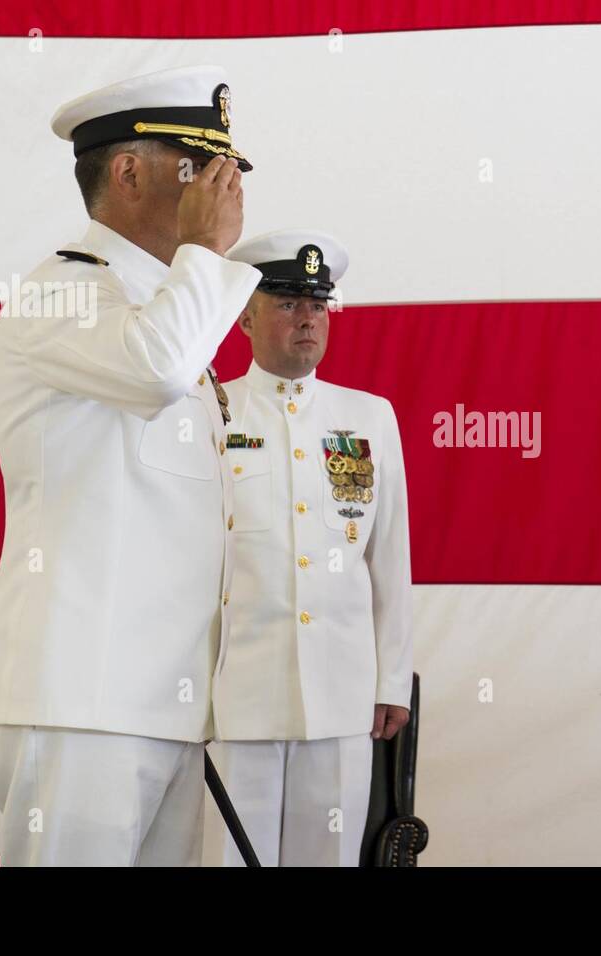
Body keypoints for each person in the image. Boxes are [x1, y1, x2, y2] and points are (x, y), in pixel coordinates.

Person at [0, 65, 261, 865]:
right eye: (201, 165)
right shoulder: (61, 293)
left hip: (162, 703)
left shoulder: (166, 309)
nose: (225, 185)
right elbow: (156, 368)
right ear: (129, 171)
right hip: (81, 698)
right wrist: (205, 250)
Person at [209, 229, 414, 866]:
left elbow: (390, 558)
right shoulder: (211, 412)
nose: (308, 320)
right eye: (288, 303)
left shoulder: (369, 418)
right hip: (234, 698)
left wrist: (392, 680)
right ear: (244, 316)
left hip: (340, 697)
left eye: (318, 305)